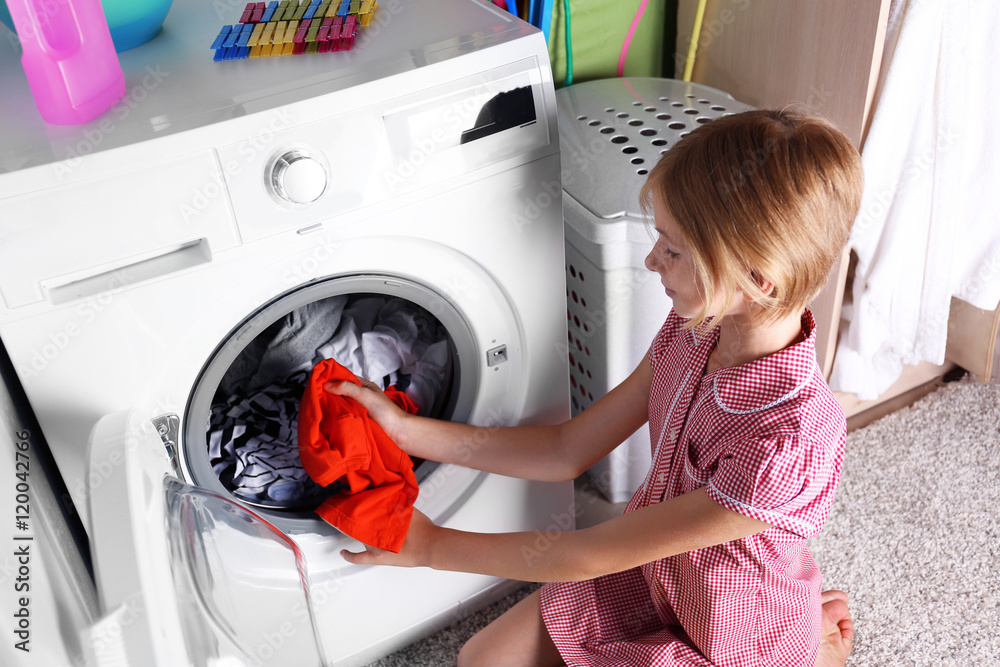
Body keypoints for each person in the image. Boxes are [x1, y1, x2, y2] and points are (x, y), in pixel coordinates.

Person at [326, 108, 863, 666]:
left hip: (731, 639)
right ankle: (805, 623)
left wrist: (433, 547)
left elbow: (588, 554)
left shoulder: (791, 441)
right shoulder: (694, 329)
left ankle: (806, 647)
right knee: (480, 660)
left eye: (673, 250)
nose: (653, 260)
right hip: (653, 573)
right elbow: (567, 450)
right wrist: (407, 431)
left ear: (756, 279)